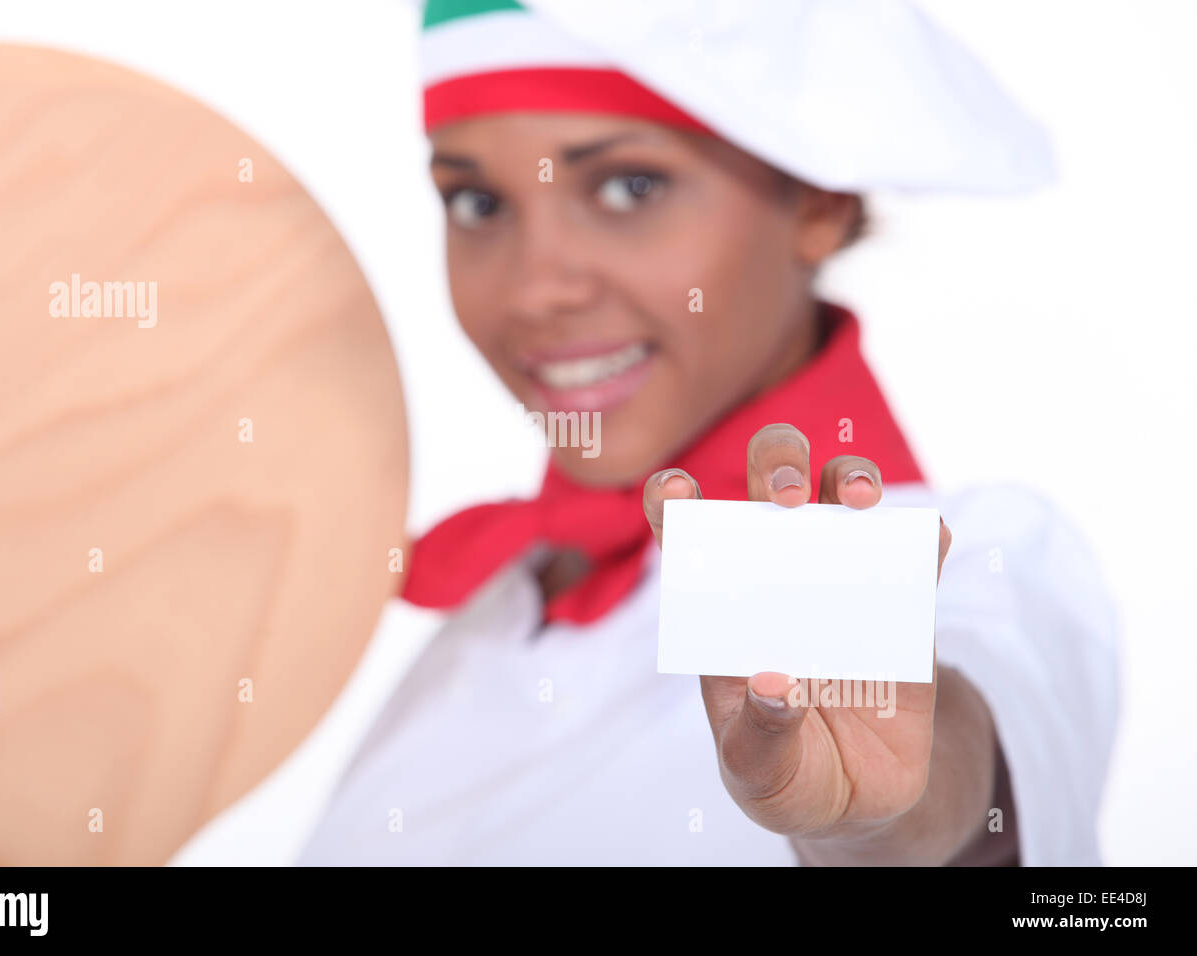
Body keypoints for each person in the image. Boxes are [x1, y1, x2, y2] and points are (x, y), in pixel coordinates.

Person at [298, 0, 1117, 865]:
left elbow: (969, 790)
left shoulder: (984, 562)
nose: (535, 290)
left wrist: (879, 820)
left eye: (628, 188)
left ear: (818, 203)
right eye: (476, 201)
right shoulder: (494, 608)